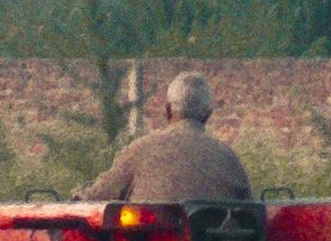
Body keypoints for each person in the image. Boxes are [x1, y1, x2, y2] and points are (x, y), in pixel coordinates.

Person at [89, 68, 252, 206]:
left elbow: (98, 196)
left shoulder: (141, 150)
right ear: (208, 115)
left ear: (167, 110)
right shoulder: (229, 159)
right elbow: (249, 210)